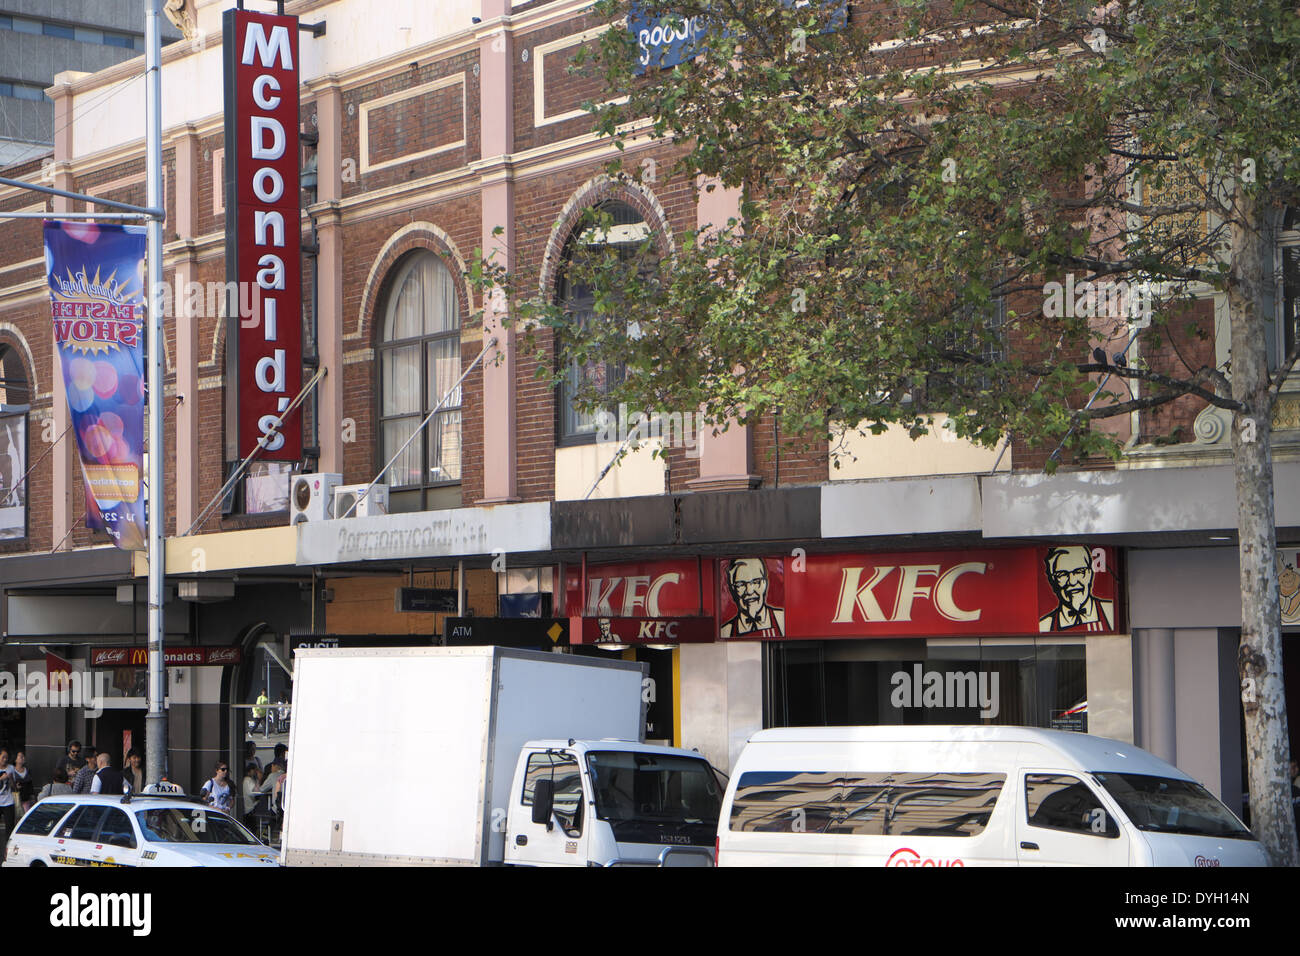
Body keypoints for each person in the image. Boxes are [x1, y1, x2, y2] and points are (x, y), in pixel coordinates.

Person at [1039, 545, 1114, 632]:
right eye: (1062, 574)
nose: (1072, 582)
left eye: (1079, 572)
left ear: (1090, 574)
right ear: (1052, 580)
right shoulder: (1045, 625)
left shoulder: (1109, 611)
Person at [720, 558, 785, 638]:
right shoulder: (725, 631)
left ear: (765, 584)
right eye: (741, 584)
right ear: (732, 589)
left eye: (756, 582)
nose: (750, 591)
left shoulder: (782, 620)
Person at [0, 750, 16, 837]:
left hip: (8, 801)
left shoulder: (11, 768)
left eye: (6, 757)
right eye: (3, 757)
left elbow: (14, 786)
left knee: (9, 827)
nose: (5, 759)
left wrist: (11, 779)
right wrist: (1, 778)